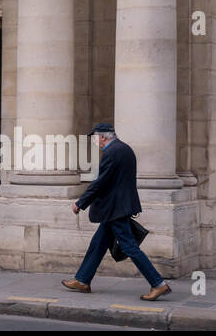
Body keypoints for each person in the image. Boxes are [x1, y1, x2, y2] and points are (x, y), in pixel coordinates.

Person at [63, 123, 171, 301]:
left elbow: (100, 182)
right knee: (98, 244)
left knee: (130, 247)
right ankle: (82, 280)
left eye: (96, 137)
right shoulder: (125, 149)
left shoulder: (112, 153)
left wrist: (80, 203)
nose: (95, 141)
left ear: (103, 137)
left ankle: (158, 284)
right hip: (117, 207)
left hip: (115, 209)